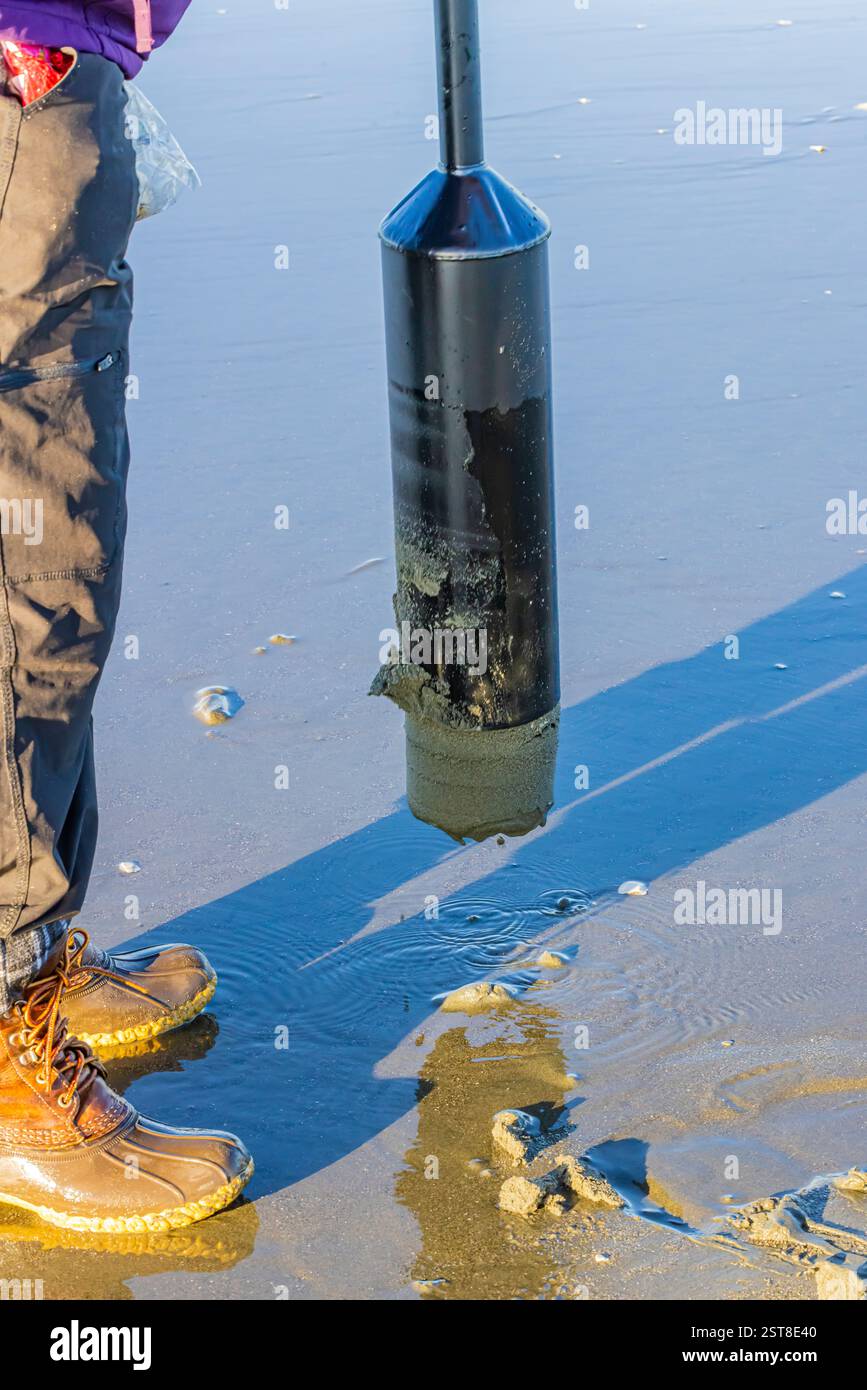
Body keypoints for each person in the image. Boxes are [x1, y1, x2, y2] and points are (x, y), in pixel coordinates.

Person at [0, 1, 252, 1233]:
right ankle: (5, 1055)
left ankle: (29, 965)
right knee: (31, 575)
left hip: (48, 69)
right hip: (16, 78)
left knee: (61, 532)